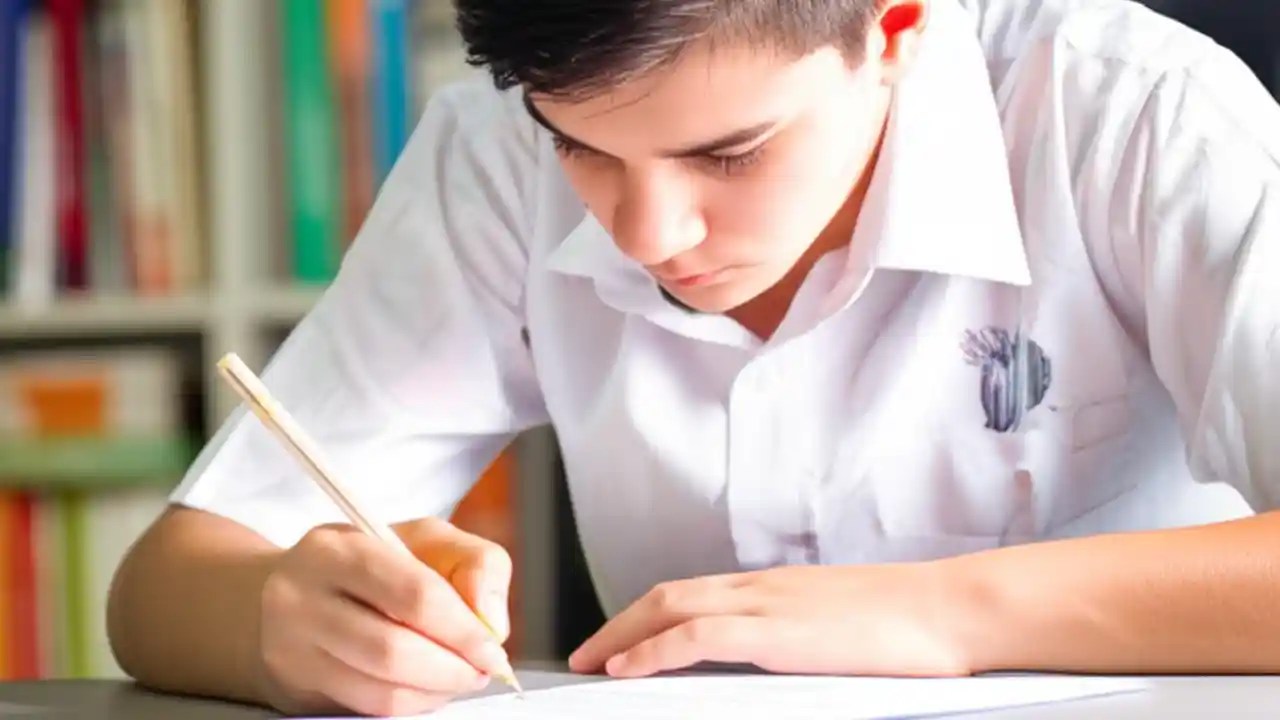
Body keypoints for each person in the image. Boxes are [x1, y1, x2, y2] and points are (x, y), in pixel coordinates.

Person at [107, 0, 1280, 716]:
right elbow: (159, 589)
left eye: (730, 153)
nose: (644, 235)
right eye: (581, 149)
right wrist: (278, 621)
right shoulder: (489, 162)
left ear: (893, 27)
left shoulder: (1134, 115)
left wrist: (941, 614)